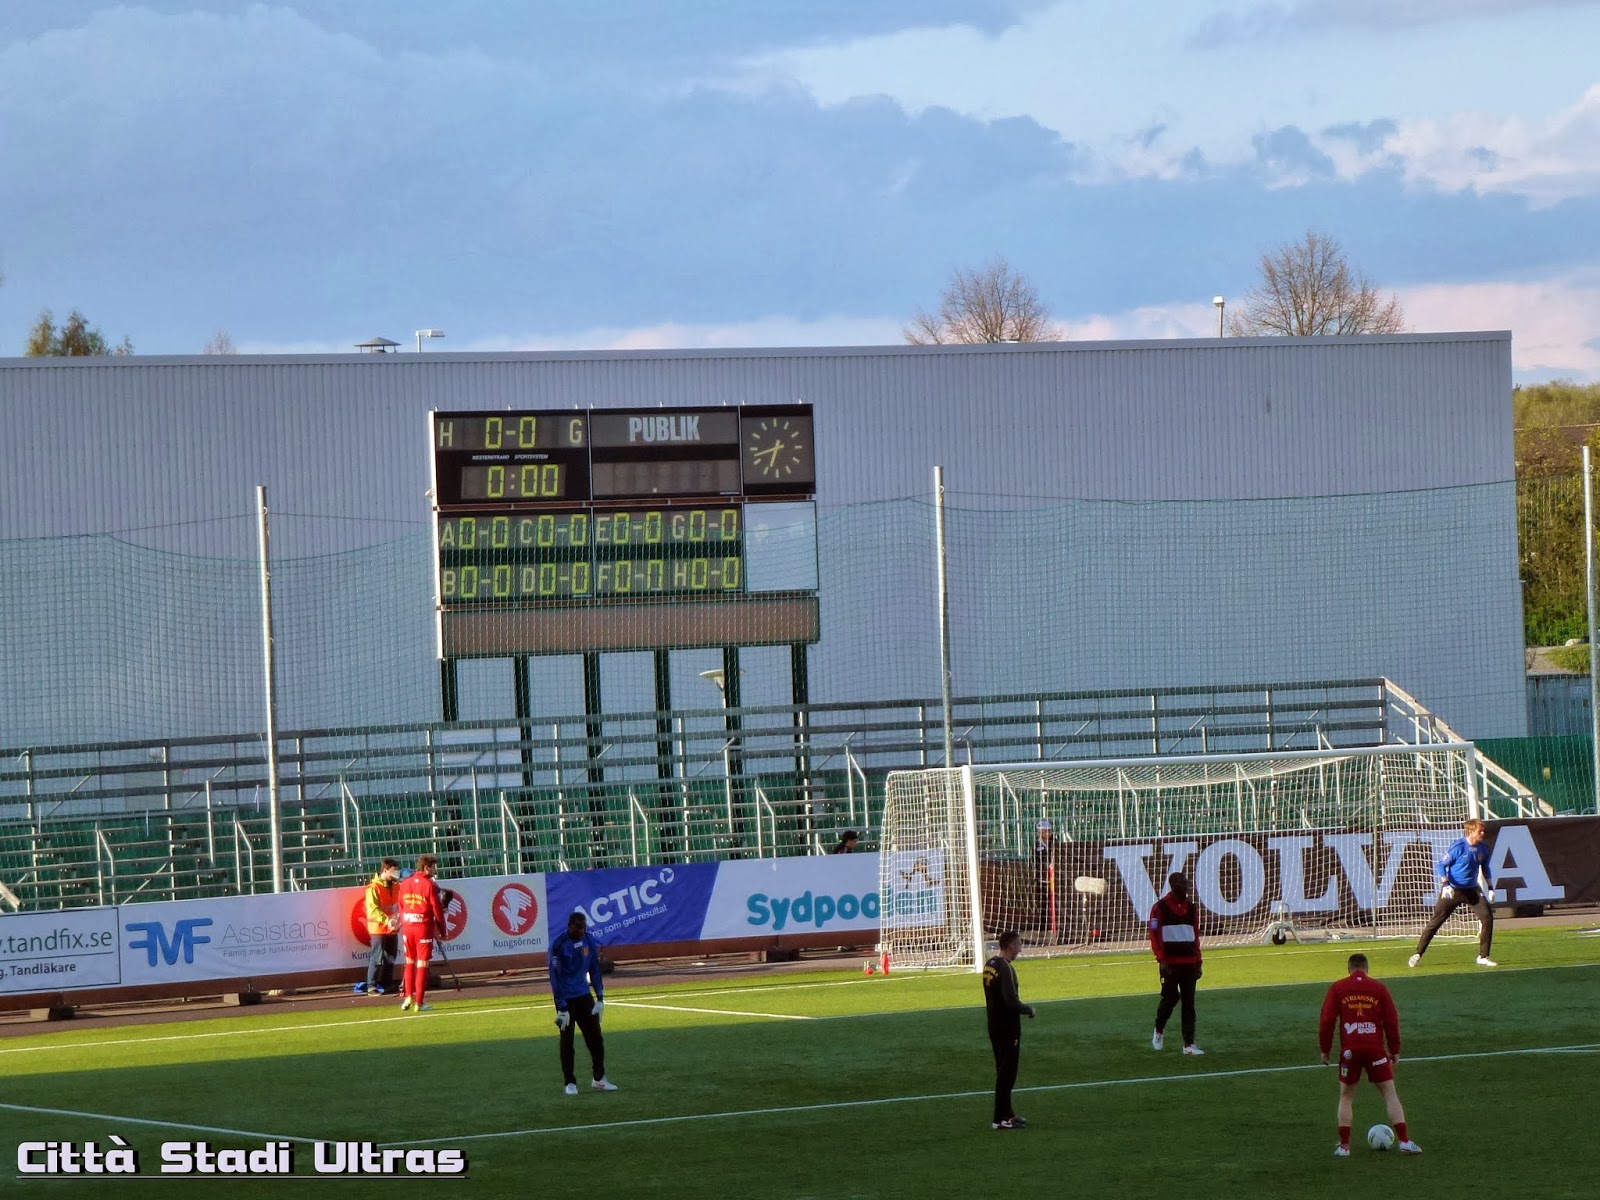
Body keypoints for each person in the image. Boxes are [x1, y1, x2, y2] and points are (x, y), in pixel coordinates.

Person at [1319, 953, 1421, 1156]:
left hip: (1350, 1052)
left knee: (1346, 1096)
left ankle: (1344, 1146)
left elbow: (1327, 1020)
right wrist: (1395, 1049)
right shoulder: (1378, 988)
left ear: (1349, 969)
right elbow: (1391, 1019)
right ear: (1367, 969)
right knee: (1390, 1094)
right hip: (1375, 1050)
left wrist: (1325, 1049)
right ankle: (1404, 1141)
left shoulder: (1338, 988)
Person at [1410, 817, 1497, 968]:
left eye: (1483, 830)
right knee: (1436, 922)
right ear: (1470, 831)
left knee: (1487, 918)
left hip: (1472, 890)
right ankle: (1418, 953)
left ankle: (1483, 956)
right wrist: (1446, 884)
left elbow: (1485, 868)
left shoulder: (1483, 848)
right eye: (1479, 830)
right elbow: (1441, 866)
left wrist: (1490, 888)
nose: (1482, 833)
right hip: (1453, 890)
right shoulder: (1458, 847)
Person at [548, 910, 617, 1095]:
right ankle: (570, 1082)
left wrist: (600, 997)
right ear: (569, 926)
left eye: (583, 928)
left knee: (595, 1038)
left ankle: (599, 1079)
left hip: (584, 996)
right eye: (577, 928)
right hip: (566, 999)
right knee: (567, 1042)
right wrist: (561, 1007)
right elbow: (554, 977)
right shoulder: (558, 945)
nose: (581, 931)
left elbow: (594, 968)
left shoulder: (589, 940)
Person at [982, 930, 1036, 1130]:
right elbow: (1010, 1001)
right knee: (1007, 1074)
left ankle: (1008, 1114)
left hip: (994, 1025)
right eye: (1020, 944)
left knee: (1002, 1070)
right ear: (1012, 945)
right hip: (1007, 1028)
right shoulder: (1005, 968)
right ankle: (999, 1119)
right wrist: (1028, 1009)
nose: (1021, 948)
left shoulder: (990, 964)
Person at [1148, 871, 1203, 1055]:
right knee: (1170, 998)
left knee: (1189, 1003)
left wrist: (1198, 961)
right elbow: (1154, 935)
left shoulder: (1192, 909)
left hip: (1189, 962)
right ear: (1174, 886)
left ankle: (1188, 1044)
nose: (1186, 887)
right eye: (1183, 884)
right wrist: (1161, 959)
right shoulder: (1160, 908)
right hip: (1170, 963)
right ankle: (1159, 1029)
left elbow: (1195, 937)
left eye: (1186, 884)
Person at [395, 854, 447, 1013]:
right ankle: (419, 1002)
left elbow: (401, 905)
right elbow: (437, 910)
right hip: (422, 927)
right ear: (426, 867)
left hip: (408, 927)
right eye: (433, 867)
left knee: (409, 962)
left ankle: (408, 996)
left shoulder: (405, 883)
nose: (434, 870)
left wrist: (404, 922)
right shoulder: (429, 885)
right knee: (422, 964)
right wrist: (442, 930)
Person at [356, 857, 401, 996]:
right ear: (385, 870)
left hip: (392, 928)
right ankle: (371, 986)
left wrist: (397, 920)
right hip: (378, 929)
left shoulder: (396, 886)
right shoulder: (373, 888)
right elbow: (373, 909)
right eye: (394, 872)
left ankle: (387, 984)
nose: (396, 875)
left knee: (390, 957)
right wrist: (387, 920)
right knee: (377, 957)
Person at [1032, 819, 1057, 937]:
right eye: (1042, 831)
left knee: (1055, 902)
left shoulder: (1055, 843)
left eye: (1046, 831)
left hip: (1054, 877)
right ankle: (1043, 927)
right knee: (1043, 903)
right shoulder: (1036, 845)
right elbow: (1034, 861)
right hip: (1042, 878)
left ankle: (1055, 925)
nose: (1045, 833)